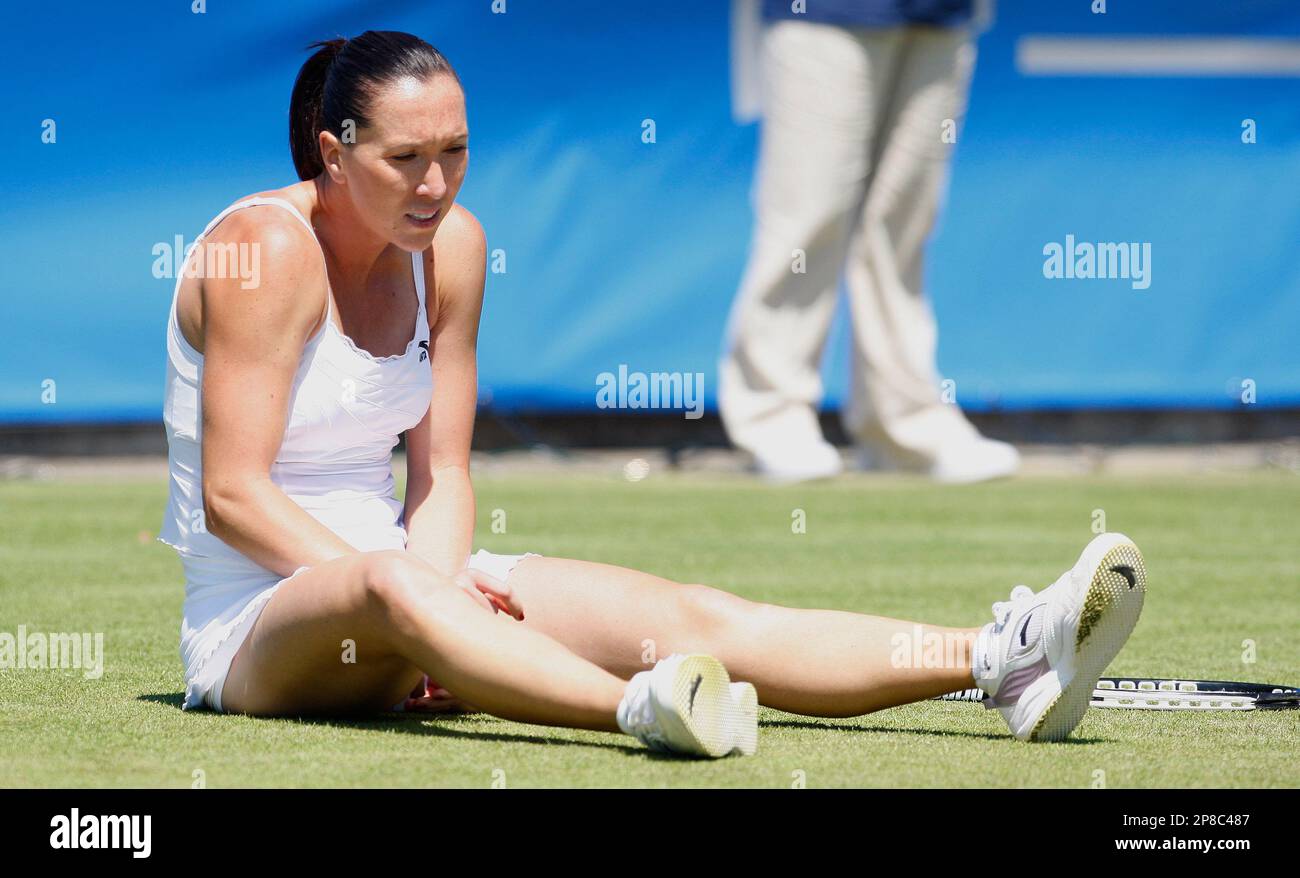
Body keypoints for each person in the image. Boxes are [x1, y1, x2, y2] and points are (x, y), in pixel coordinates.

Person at [158, 31, 1146, 758]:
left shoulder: (452, 247)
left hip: (418, 574)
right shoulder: (261, 248)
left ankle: (1002, 656)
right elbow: (234, 494)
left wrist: (441, 581)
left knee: (696, 612)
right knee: (389, 584)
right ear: (333, 154)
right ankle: (642, 706)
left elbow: (445, 466)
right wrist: (419, 597)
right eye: (403, 159)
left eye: (454, 152)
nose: (436, 185)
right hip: (258, 627)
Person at [720, 1, 1020, 484]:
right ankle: (773, 419)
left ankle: (905, 426)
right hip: (824, 13)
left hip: (940, 15)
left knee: (904, 224)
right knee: (807, 215)